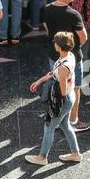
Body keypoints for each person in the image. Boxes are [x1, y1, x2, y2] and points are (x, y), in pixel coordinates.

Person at [25, 31, 81, 165]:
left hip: (64, 100)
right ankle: (75, 153)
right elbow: (53, 73)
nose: (54, 44)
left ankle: (42, 157)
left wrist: (55, 105)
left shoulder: (63, 68)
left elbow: (62, 91)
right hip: (70, 97)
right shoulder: (69, 56)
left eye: (55, 42)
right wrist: (39, 81)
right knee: (65, 125)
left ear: (59, 46)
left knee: (49, 127)